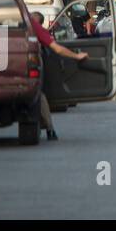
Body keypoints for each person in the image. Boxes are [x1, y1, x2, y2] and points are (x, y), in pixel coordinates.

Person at [29, 11, 90, 141]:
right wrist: (76, 56)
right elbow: (58, 49)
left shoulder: (7, 23)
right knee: (38, 94)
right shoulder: (34, 27)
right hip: (22, 72)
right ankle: (50, 129)